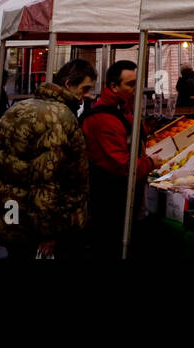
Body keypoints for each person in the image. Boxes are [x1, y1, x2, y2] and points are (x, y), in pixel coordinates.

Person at [0, 59, 95, 259]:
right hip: (36, 220)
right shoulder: (60, 117)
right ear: (68, 85)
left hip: (10, 210)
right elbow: (47, 181)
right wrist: (48, 233)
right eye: (85, 89)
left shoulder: (22, 107)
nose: (88, 96)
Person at [80, 60, 156, 257]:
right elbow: (122, 165)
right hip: (109, 199)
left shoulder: (124, 108)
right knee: (110, 246)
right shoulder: (103, 118)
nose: (135, 89)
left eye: (137, 83)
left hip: (125, 195)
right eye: (130, 84)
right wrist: (150, 163)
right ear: (113, 86)